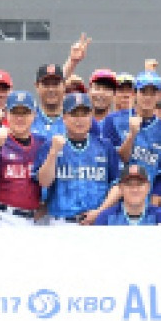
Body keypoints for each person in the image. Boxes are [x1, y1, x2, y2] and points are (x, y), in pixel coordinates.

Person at [35, 93, 120, 226]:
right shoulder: (50, 145)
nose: (79, 120)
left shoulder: (105, 146)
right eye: (74, 114)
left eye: (84, 114)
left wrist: (100, 211)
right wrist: (53, 152)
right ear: (64, 117)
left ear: (91, 116)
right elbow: (44, 182)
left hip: (97, 221)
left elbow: (117, 184)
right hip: (61, 222)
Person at [0, 92, 43, 226]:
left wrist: (46, 205)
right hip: (2, 215)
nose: (19, 118)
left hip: (33, 219)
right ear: (6, 114)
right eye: (14, 113)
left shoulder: (41, 143)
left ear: (34, 115)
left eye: (25, 113)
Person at [93, 164, 161, 225]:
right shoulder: (105, 218)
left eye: (140, 184)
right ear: (121, 188)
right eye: (129, 184)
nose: (135, 189)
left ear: (148, 187)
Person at [32, 63, 68, 139]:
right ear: (37, 86)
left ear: (64, 86)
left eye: (55, 84)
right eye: (46, 84)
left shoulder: (74, 119)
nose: (51, 89)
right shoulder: (28, 120)